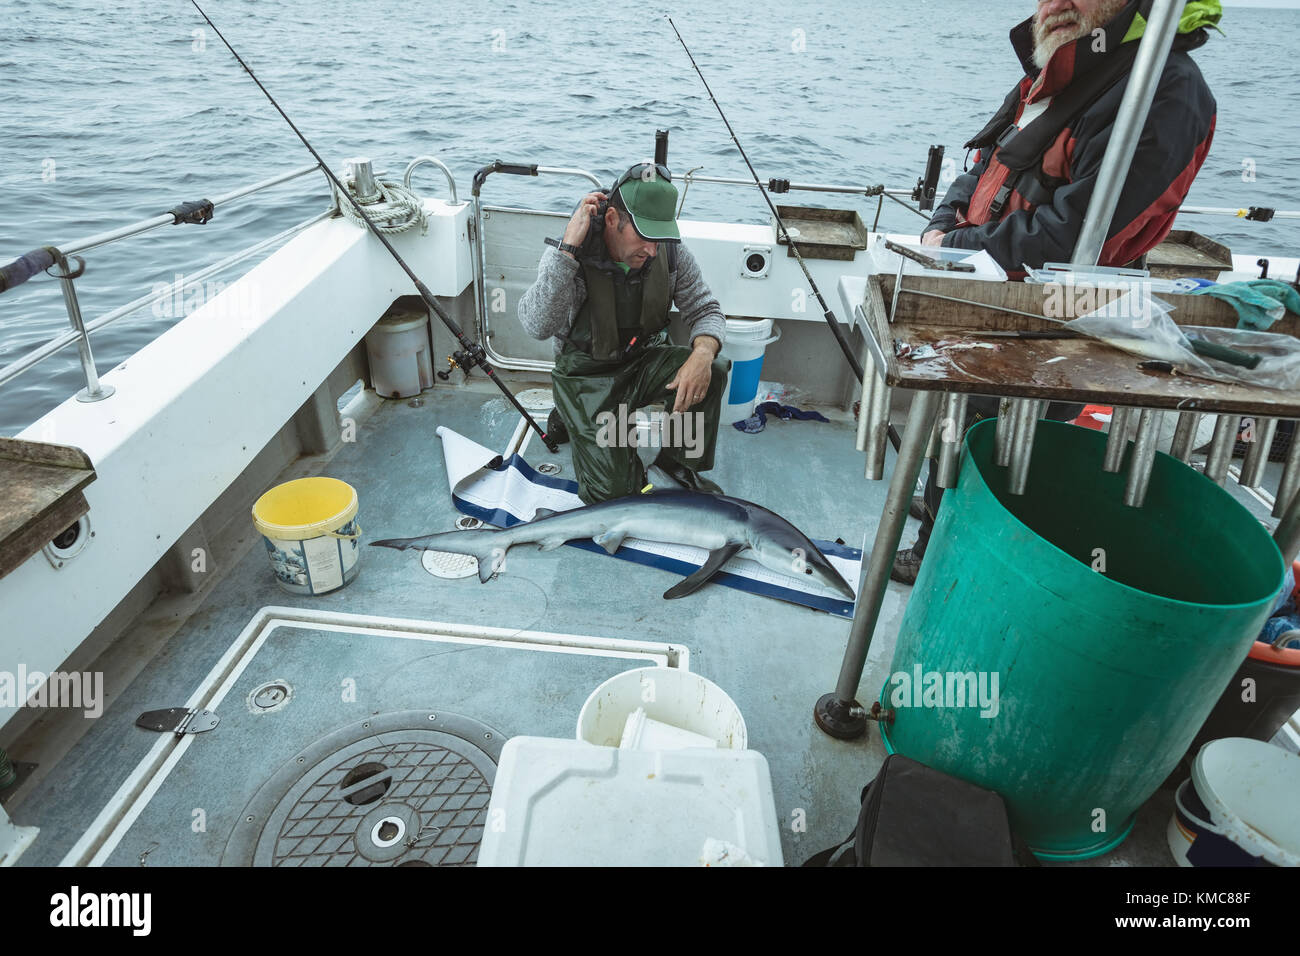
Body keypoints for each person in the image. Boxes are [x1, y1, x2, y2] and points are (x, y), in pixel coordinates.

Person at [892, 0, 1221, 585]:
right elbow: (989, 161)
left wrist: (963, 244)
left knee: (997, 440)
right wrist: (942, 226)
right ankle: (943, 505)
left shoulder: (1167, 89)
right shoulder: (1064, 68)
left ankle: (941, 554)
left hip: (1053, 316)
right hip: (983, 288)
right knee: (957, 421)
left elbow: (1078, 237)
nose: (1057, 3)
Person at [517, 163, 730, 504]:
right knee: (617, 498)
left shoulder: (670, 252)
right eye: (644, 235)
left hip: (642, 362)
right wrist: (567, 253)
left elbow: (706, 310)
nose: (652, 251)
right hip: (589, 379)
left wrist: (703, 353)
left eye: (660, 238)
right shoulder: (569, 255)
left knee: (714, 369)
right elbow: (536, 325)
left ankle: (674, 466)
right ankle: (572, 416)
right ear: (613, 219)